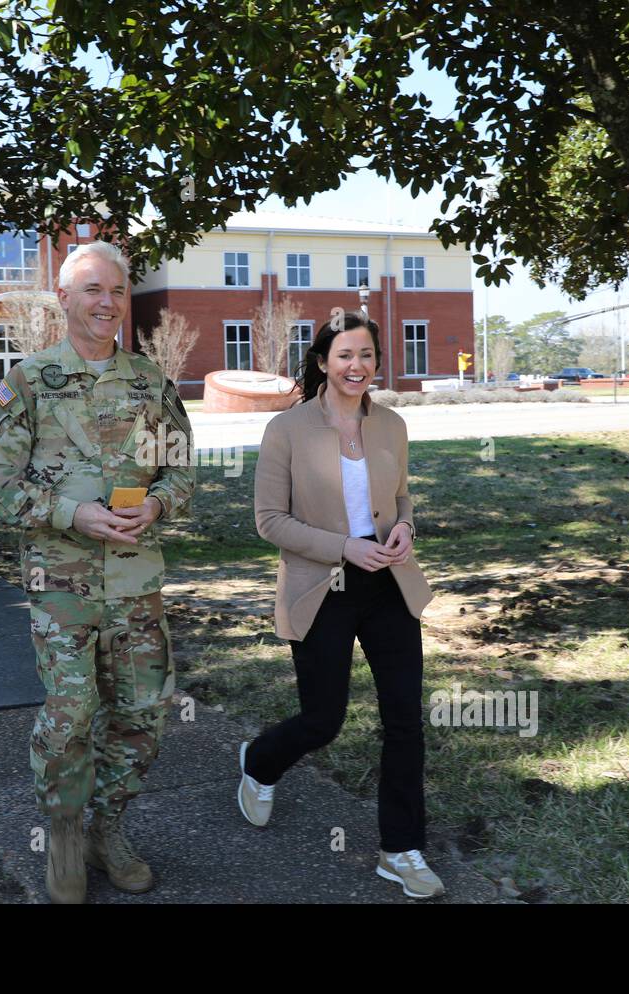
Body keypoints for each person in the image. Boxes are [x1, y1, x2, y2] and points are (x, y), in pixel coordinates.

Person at [0, 240, 195, 904]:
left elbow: (180, 470)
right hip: (62, 583)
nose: (107, 302)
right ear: (65, 300)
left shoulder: (150, 382)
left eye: (117, 291)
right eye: (92, 290)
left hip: (136, 582)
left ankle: (108, 828)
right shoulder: (29, 382)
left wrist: (155, 503)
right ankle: (65, 837)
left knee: (142, 716)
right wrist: (73, 514)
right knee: (71, 717)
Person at [241, 312, 444, 899]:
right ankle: (259, 761)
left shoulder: (393, 425)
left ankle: (401, 850)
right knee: (322, 720)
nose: (357, 366)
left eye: (367, 356)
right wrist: (343, 548)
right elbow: (268, 521)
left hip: (389, 586)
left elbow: (400, 496)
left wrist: (405, 527)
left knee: (404, 719)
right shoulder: (287, 429)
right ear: (324, 361)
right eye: (345, 355)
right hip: (321, 589)